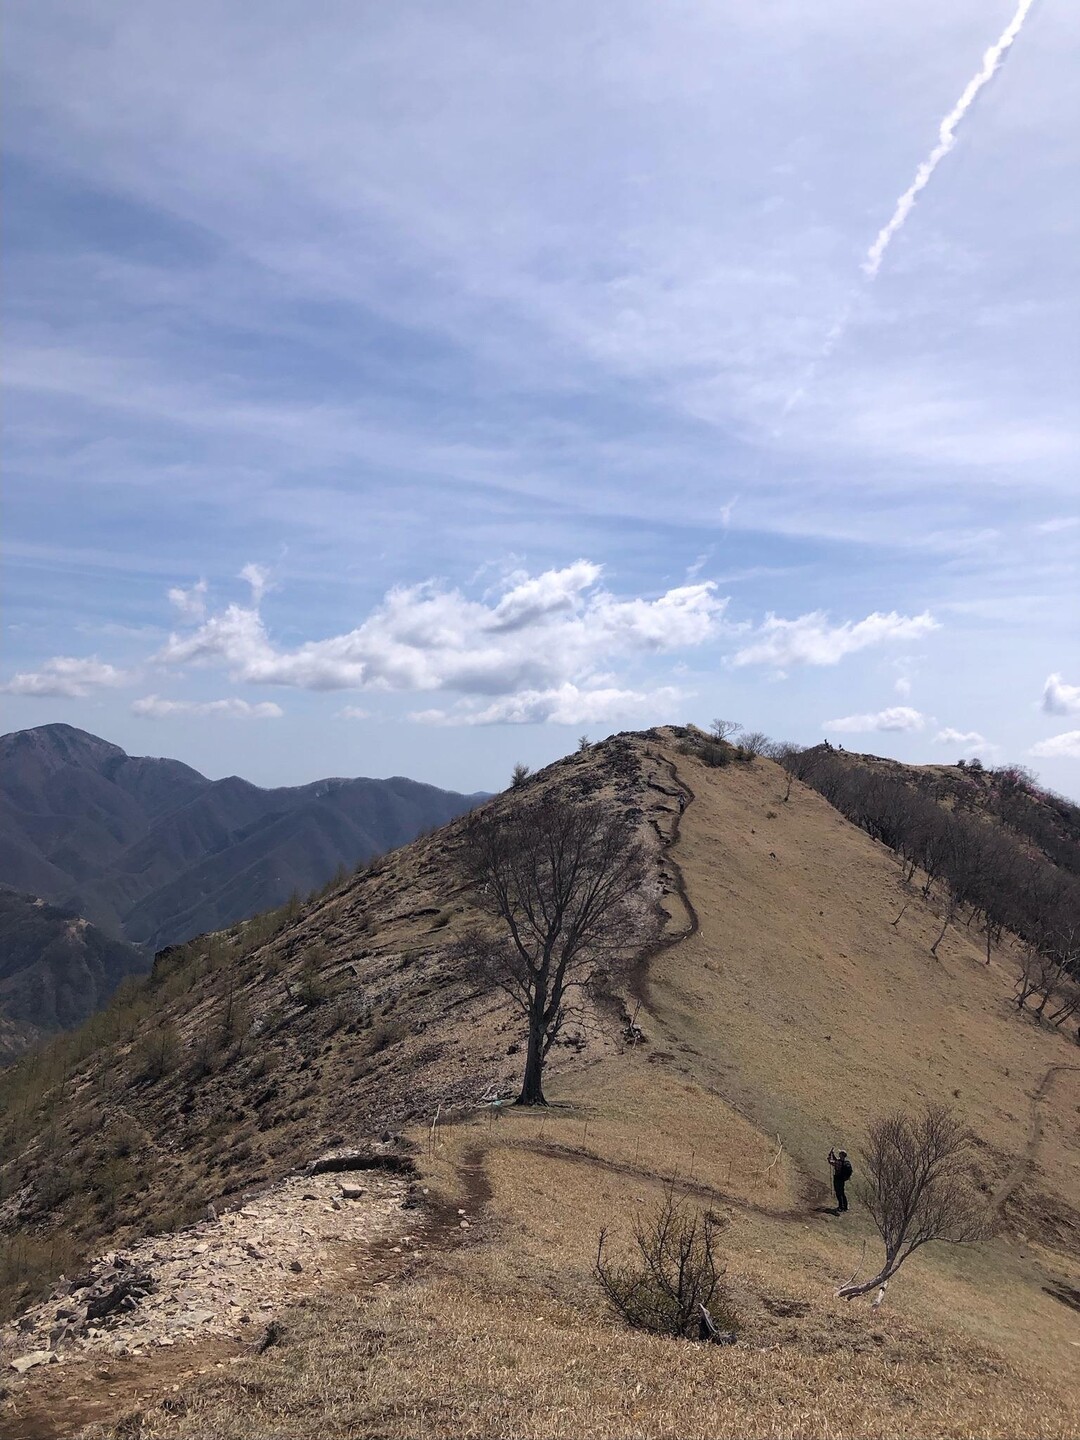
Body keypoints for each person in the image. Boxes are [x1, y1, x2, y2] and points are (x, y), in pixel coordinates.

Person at [828, 1147, 852, 1213]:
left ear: (841, 1155)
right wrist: (833, 1155)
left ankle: (841, 1207)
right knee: (842, 1192)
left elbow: (831, 1161)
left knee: (838, 1193)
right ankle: (845, 1206)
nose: (839, 1154)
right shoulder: (844, 1162)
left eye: (840, 1153)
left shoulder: (838, 1162)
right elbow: (836, 1160)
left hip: (837, 1179)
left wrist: (830, 1155)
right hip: (842, 1179)